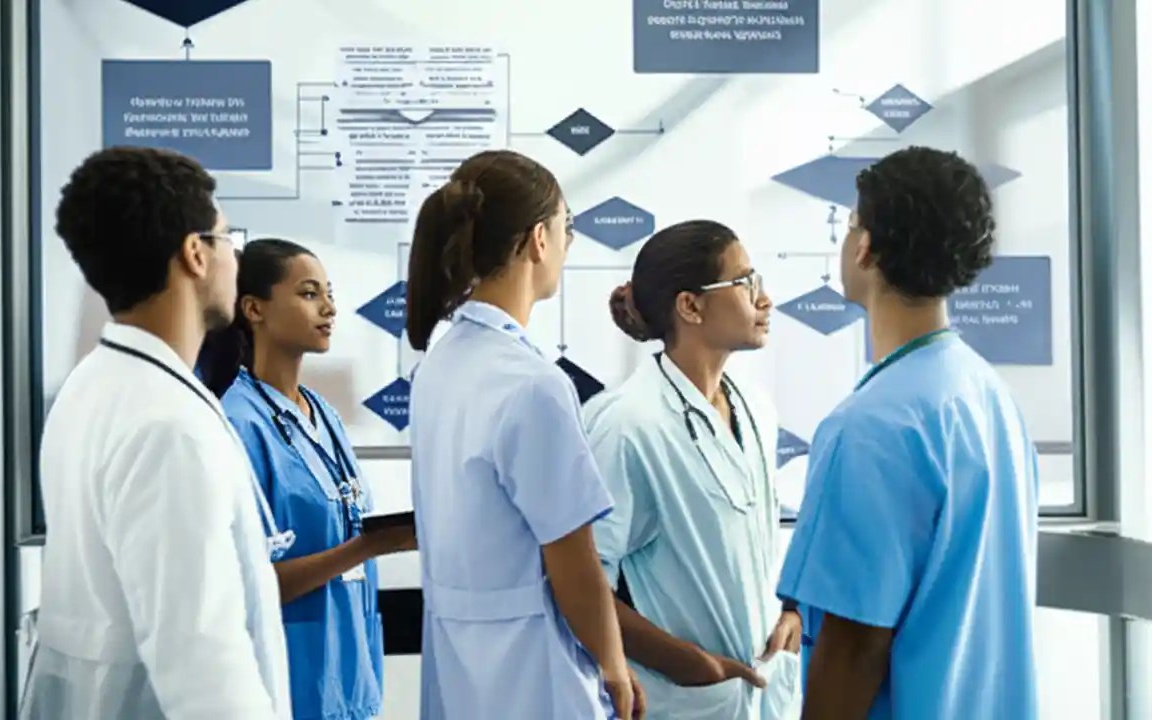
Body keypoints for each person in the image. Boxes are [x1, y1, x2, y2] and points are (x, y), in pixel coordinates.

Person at [21, 146, 291, 719]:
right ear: (195, 253)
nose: (234, 259)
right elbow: (204, 666)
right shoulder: (169, 427)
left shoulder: (91, 386)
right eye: (226, 240)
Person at [776, 146, 1040, 719]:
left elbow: (851, 651)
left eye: (851, 225)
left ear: (865, 246)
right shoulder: (989, 397)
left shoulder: (869, 428)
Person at [404, 149, 644, 720]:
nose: (568, 243)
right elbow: (573, 558)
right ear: (539, 238)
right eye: (567, 227)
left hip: (461, 666)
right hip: (535, 673)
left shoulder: (439, 364)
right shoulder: (533, 383)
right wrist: (612, 663)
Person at [583, 220, 802, 719]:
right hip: (686, 700)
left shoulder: (756, 407)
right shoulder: (625, 423)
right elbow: (582, 580)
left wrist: (790, 609)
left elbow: (755, 543)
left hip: (767, 691)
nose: (764, 300)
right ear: (691, 306)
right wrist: (690, 664)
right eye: (745, 284)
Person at [197, 238, 416, 720]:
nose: (330, 308)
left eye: (329, 294)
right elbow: (246, 585)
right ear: (253, 308)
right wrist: (366, 547)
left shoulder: (324, 416)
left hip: (350, 680)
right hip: (287, 688)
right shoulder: (238, 422)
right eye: (310, 294)